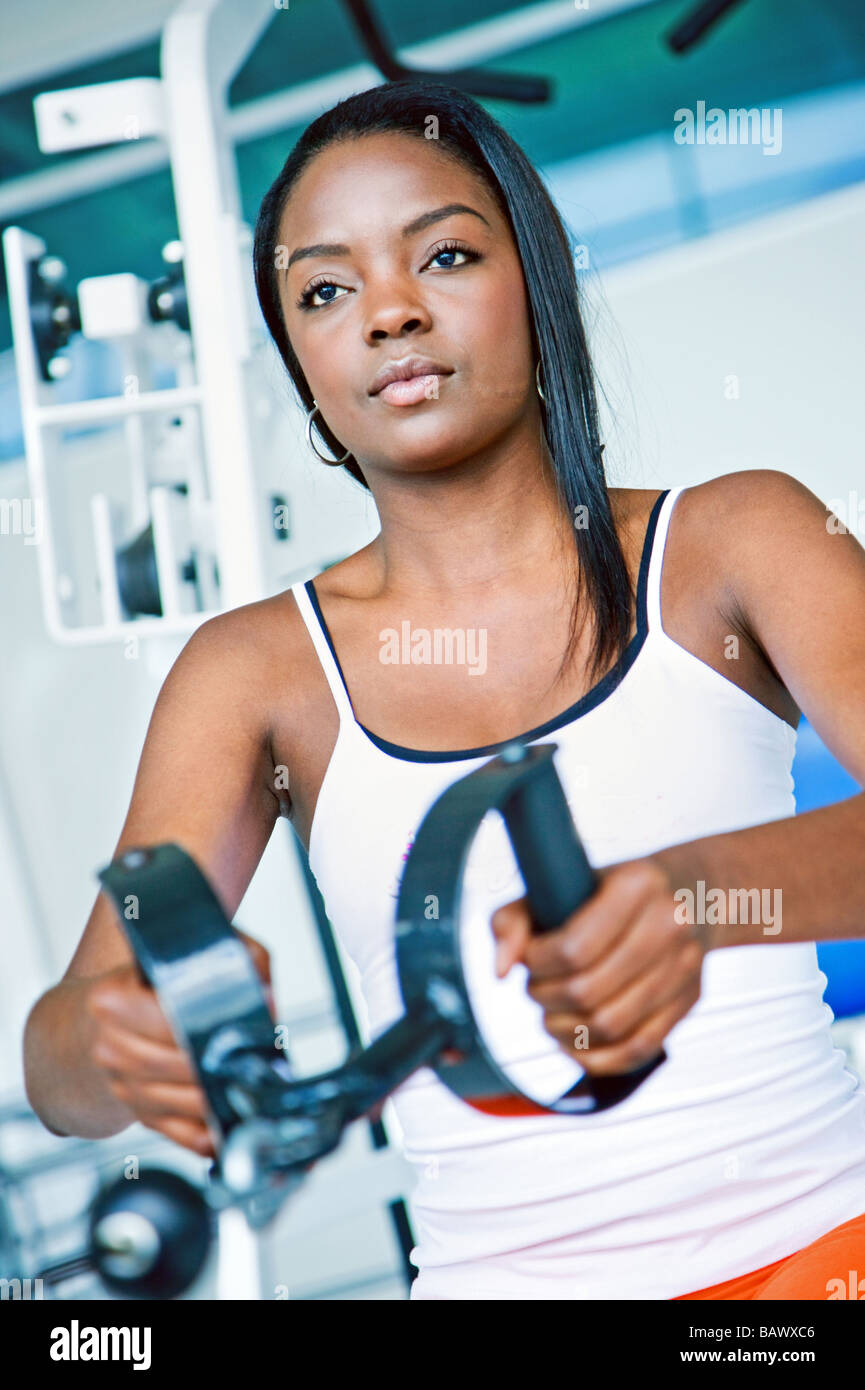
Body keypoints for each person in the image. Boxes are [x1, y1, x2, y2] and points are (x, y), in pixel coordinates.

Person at [24, 80, 865, 1301]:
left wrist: (698, 894)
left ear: (536, 281)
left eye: (447, 254)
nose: (389, 314)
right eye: (326, 289)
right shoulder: (251, 672)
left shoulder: (741, 539)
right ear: (301, 363)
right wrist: (113, 1044)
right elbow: (62, 1069)